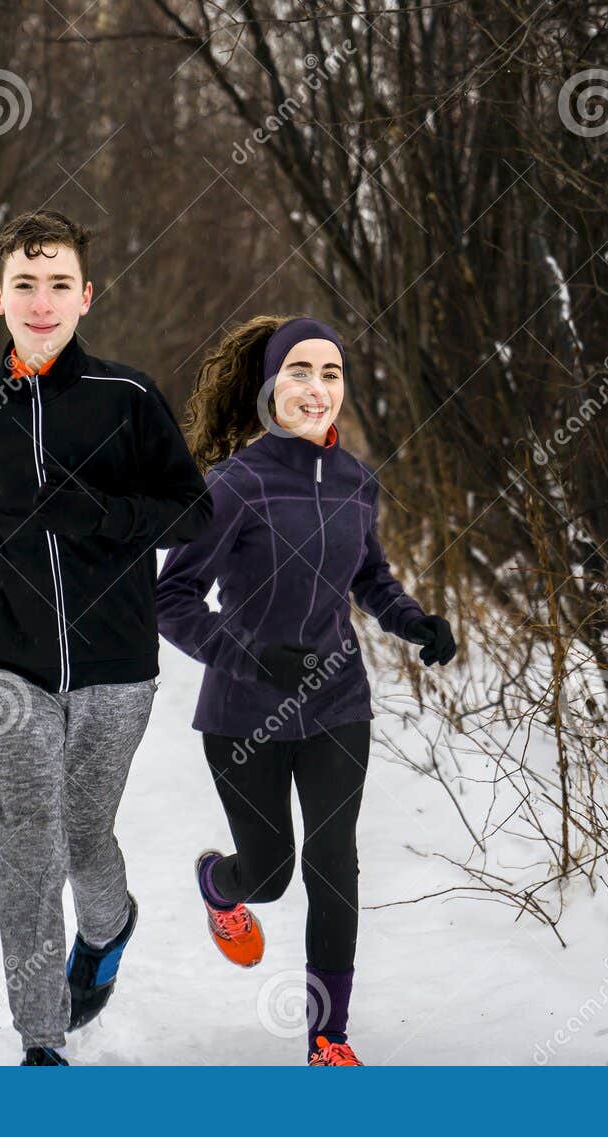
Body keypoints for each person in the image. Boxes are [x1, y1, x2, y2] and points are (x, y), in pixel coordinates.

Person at [0, 210, 213, 1065]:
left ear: (87, 296)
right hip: (9, 656)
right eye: (25, 285)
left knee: (83, 832)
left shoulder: (128, 398)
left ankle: (110, 925)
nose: (42, 301)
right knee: (30, 832)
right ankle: (41, 1042)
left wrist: (99, 515)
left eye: (60, 285)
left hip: (117, 660)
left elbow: (194, 511)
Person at [155, 315, 456, 1066]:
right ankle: (217, 886)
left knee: (332, 862)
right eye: (299, 372)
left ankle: (329, 1038)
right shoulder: (234, 485)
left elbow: (369, 578)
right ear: (268, 388)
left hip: (335, 701)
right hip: (242, 712)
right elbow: (174, 599)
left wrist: (414, 623)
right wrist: (250, 657)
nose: (317, 389)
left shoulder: (357, 481)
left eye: (331, 373)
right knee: (271, 874)